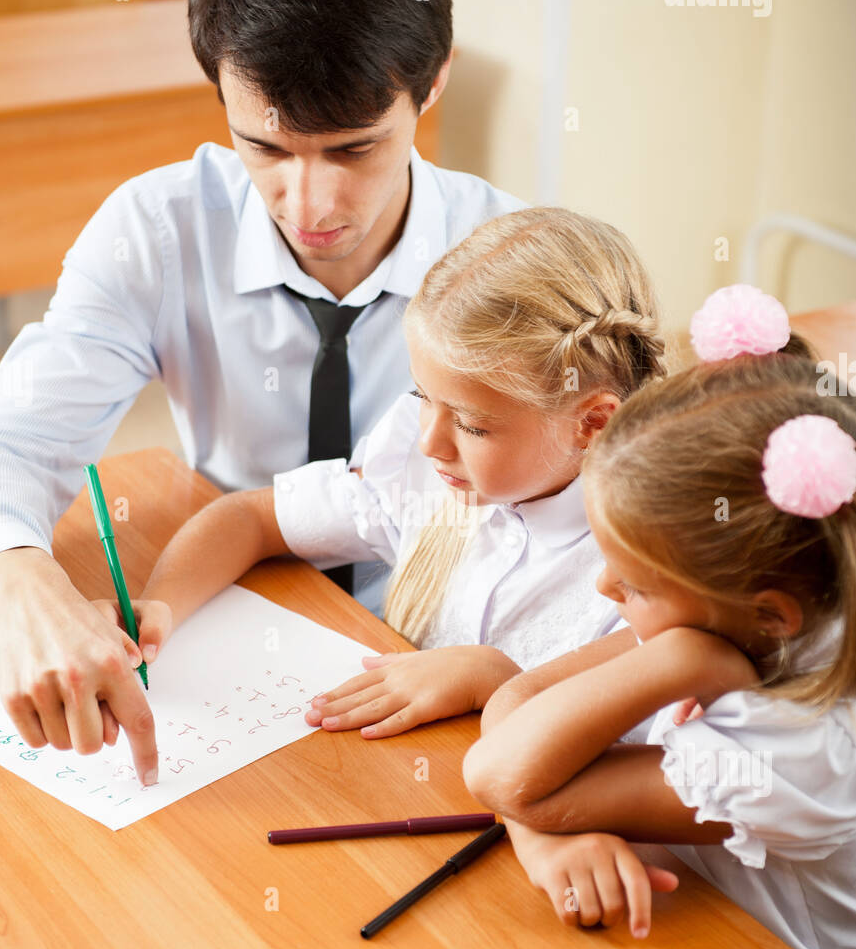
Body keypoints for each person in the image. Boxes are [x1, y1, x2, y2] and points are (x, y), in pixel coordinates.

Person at [0, 0, 525, 787]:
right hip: (224, 627)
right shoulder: (159, 228)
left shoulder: (515, 260)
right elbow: (15, 438)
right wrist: (15, 582)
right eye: (267, 149)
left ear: (432, 85)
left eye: (353, 149)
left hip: (448, 665)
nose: (308, 207)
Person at [93, 207, 666, 772]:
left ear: (593, 423)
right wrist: (159, 605)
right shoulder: (425, 475)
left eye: (472, 425)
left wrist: (496, 681)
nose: (429, 443)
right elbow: (248, 520)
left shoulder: (652, 575)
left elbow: (645, 772)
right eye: (423, 398)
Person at [464, 286, 856, 949]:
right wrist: (546, 845)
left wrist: (682, 659)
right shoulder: (743, 602)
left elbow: (503, 774)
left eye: (634, 587)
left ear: (770, 616)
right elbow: (516, 698)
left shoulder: (805, 756)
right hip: (688, 940)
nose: (604, 590)